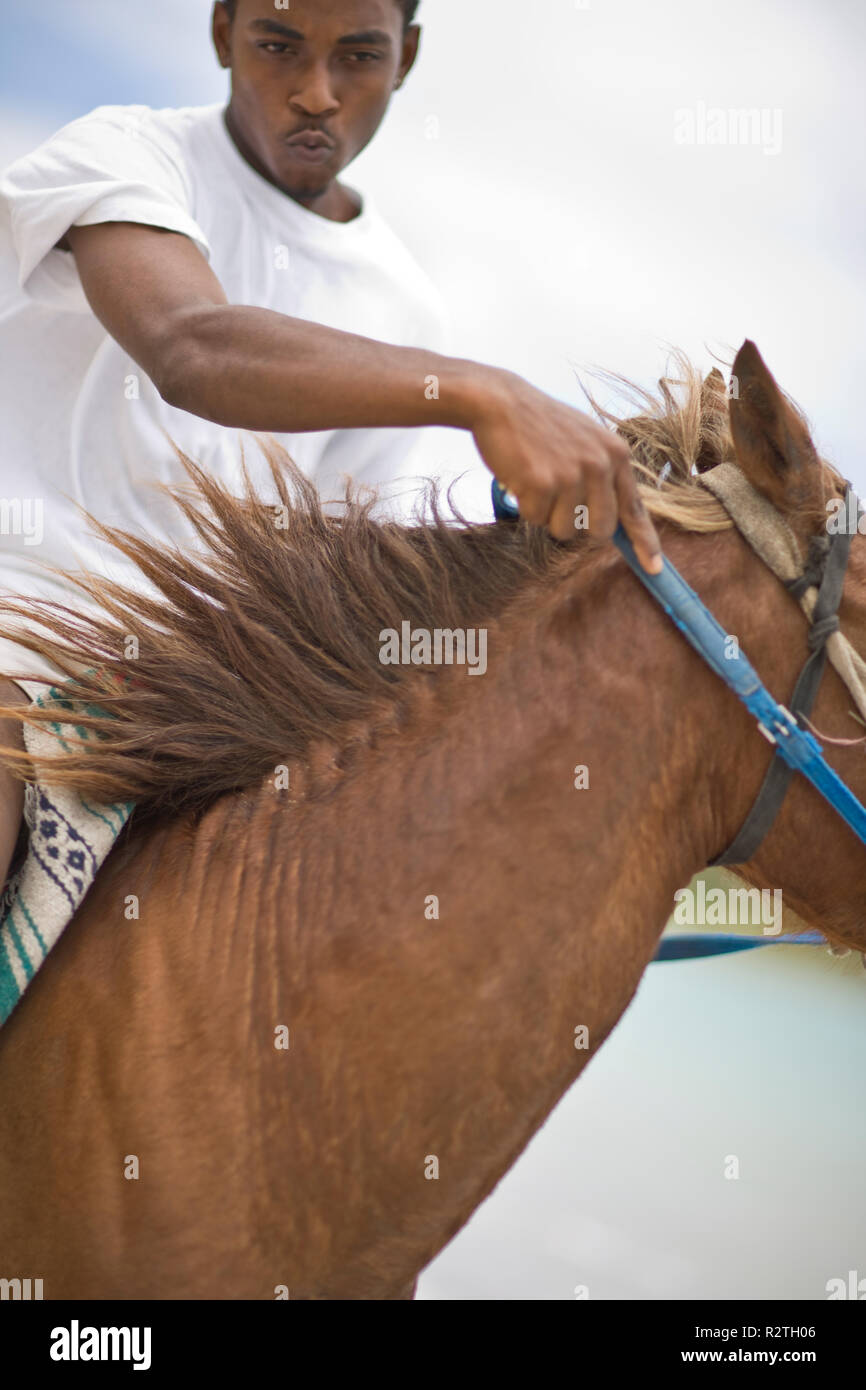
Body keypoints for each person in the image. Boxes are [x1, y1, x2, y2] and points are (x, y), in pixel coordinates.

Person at [0, 0, 662, 890]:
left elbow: (337, 573)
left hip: (178, 702)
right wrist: (479, 391)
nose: (316, 94)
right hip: (18, 621)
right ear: (222, 33)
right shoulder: (126, 154)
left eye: (357, 56)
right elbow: (191, 348)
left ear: (408, 58)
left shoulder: (400, 307)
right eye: (278, 47)